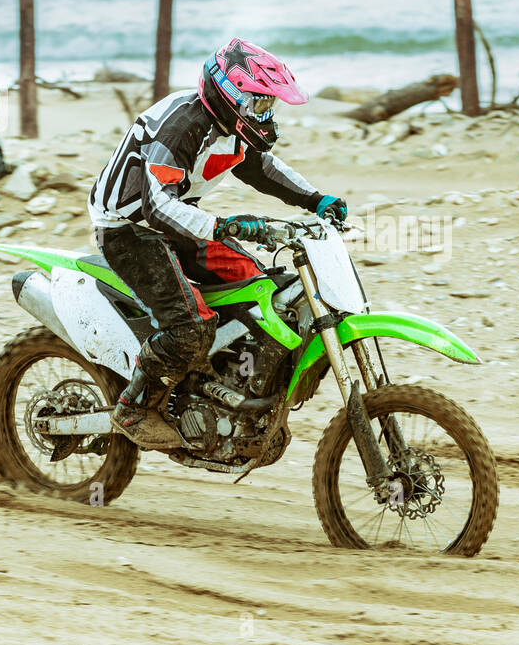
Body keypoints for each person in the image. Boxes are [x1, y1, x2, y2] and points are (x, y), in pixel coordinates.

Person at [87, 38, 347, 449]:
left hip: (179, 218)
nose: (265, 114)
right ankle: (134, 407)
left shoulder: (230, 129)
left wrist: (316, 199)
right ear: (231, 94)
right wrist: (225, 226)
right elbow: (157, 207)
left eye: (268, 106)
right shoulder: (182, 126)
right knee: (190, 328)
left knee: (255, 285)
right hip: (129, 228)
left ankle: (225, 394)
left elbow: (261, 168)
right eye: (259, 105)